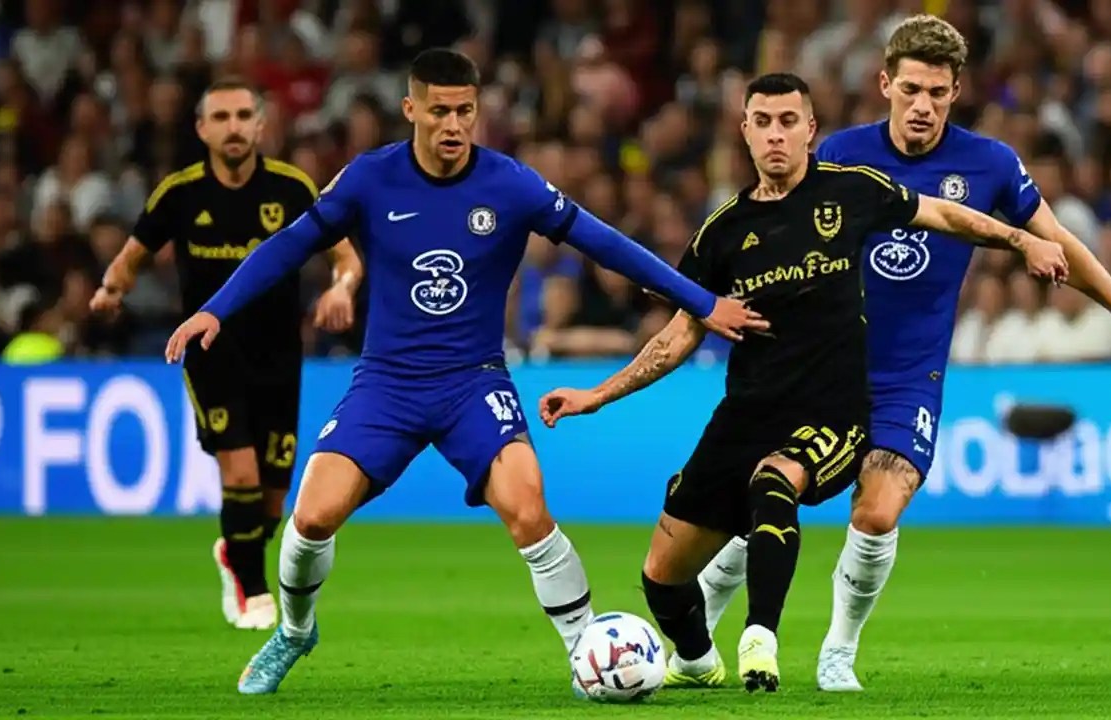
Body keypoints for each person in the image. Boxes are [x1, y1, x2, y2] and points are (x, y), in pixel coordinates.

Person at [162, 48, 765, 695]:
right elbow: (287, 245)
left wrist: (701, 302)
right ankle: (295, 630)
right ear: (411, 109)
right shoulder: (369, 179)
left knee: (529, 509)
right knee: (310, 520)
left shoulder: (511, 185)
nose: (454, 124)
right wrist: (215, 309)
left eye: (466, 111)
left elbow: (606, 243)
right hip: (386, 383)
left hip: (473, 382)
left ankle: (587, 651)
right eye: (441, 111)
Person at [692, 14, 1111, 693]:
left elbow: (1054, 238)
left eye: (939, 92)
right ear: (886, 83)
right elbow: (773, 231)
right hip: (821, 367)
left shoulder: (989, 164)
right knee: (768, 503)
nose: (923, 105)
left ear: (957, 93)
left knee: (878, 510)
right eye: (913, 89)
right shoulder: (836, 152)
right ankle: (696, 641)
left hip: (907, 376)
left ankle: (838, 650)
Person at [537, 72, 1068, 693]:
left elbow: (945, 214)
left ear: (811, 131)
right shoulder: (723, 232)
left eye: (789, 121)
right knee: (662, 576)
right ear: (745, 132)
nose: (776, 135)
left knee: (775, 480)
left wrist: (1020, 238)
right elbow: (680, 335)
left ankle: (761, 638)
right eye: (762, 122)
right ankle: (700, 662)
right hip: (747, 412)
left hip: (836, 411)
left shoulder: (851, 191)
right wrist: (595, 396)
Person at [91, 77, 362, 631]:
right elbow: (133, 254)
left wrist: (342, 286)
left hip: (280, 356)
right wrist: (110, 290)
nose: (234, 126)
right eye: (222, 117)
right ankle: (251, 588)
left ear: (261, 126)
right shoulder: (179, 193)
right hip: (211, 354)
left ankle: (233, 551)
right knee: (237, 473)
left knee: (271, 497)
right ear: (201, 128)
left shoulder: (291, 188)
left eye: (244, 115)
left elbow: (346, 257)